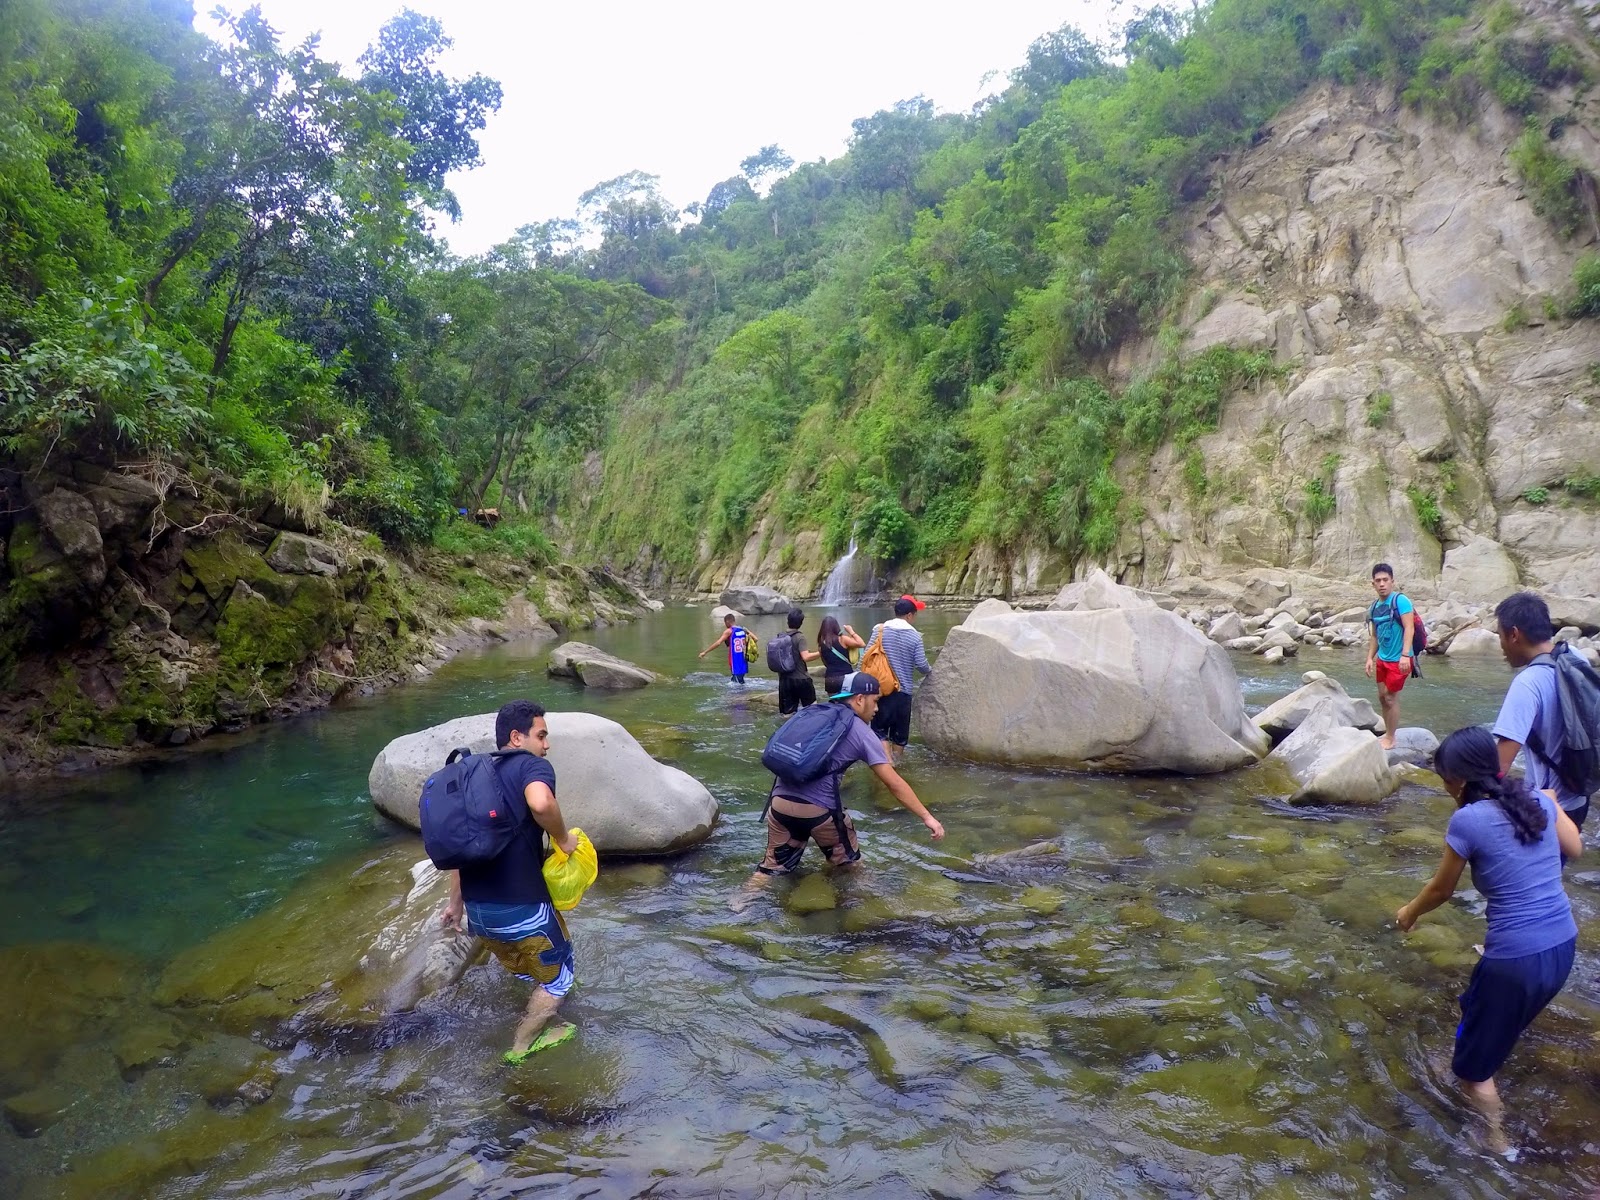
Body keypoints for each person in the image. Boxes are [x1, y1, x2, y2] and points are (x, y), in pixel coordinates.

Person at [1395, 725, 1580, 1150]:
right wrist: (1552, 805)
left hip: (1516, 960)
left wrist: (1408, 913)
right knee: (1480, 1008)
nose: (1444, 788)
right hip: (1562, 945)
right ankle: (1477, 1052)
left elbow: (1441, 890)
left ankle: (1497, 1146)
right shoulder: (1535, 800)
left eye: (1443, 779)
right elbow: (1576, 849)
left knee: (1473, 1074)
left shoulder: (1468, 819)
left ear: (1457, 780)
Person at [440, 699, 580, 1063]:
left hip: (481, 916)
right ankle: (520, 1047)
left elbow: (460, 848)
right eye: (541, 735)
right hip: (522, 909)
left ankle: (540, 1009)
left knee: (526, 966)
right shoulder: (531, 766)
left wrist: (455, 906)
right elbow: (541, 803)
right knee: (558, 977)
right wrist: (564, 839)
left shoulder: (473, 773)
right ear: (517, 737)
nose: (546, 745)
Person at [732, 672, 944, 909]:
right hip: (819, 813)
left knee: (769, 870)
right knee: (852, 867)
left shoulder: (813, 714)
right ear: (860, 699)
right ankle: (858, 915)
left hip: (778, 806)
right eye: (875, 701)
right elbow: (893, 782)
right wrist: (928, 817)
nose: (876, 709)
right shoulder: (860, 731)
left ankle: (739, 906)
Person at [1493, 591, 1591, 829]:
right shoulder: (1575, 658)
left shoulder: (1528, 683)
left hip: (1549, 806)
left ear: (1514, 634)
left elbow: (1500, 766)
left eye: (1501, 636)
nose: (1502, 646)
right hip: (1580, 797)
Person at [862, 595, 933, 764]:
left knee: (879, 730)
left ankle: (886, 764)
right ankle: (896, 763)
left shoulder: (879, 630)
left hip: (881, 690)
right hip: (903, 692)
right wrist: (931, 671)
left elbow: (866, 657)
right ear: (909, 615)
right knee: (900, 735)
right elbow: (922, 665)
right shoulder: (915, 637)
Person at [1364, 562, 1416, 750]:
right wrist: (1370, 658)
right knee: (1382, 697)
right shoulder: (1374, 607)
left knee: (1391, 698)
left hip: (1399, 659)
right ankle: (1387, 733)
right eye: (1378, 580)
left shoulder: (1401, 601)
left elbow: (1409, 628)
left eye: (1385, 580)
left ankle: (1391, 738)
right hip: (1383, 659)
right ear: (1373, 584)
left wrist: (1404, 655)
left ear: (1392, 581)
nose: (1382, 584)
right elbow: (1375, 635)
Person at [775, 607, 819, 715]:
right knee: (812, 711)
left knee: (787, 715)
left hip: (785, 681)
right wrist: (821, 653)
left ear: (788, 621)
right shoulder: (800, 637)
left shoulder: (780, 636)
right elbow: (806, 657)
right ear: (801, 623)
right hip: (801, 680)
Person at [699, 612, 757, 685]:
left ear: (727, 621)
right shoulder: (743, 630)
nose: (725, 625)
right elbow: (755, 639)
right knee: (740, 681)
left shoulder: (729, 631)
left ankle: (740, 696)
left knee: (736, 685)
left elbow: (718, 643)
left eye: (725, 623)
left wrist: (705, 652)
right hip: (743, 660)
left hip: (735, 661)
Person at [817, 614, 865, 697]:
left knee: (835, 706)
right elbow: (861, 644)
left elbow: (825, 663)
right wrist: (851, 631)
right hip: (845, 678)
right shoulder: (842, 639)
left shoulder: (821, 644)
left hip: (830, 680)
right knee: (848, 705)